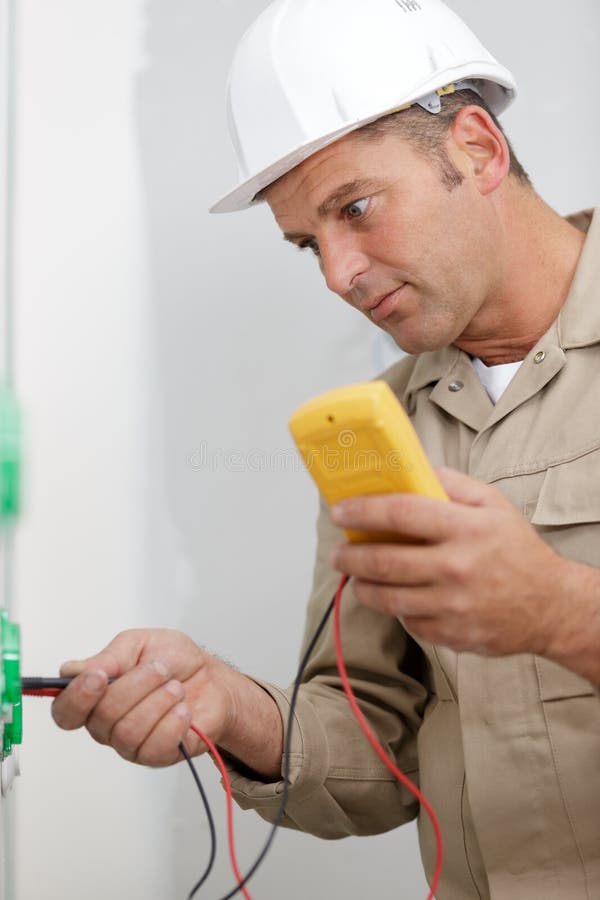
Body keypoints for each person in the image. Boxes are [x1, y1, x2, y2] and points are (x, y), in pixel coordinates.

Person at [52, 1, 600, 897]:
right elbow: (381, 748)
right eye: (309, 243)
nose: (339, 273)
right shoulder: (382, 432)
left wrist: (560, 613)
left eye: (357, 208)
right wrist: (230, 707)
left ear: (477, 148)